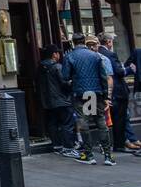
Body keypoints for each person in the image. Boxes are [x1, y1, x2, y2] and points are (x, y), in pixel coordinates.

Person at [62, 33, 113, 166]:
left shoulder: (70, 56)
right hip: (96, 92)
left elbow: (65, 76)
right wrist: (106, 96)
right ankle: (107, 155)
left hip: (80, 93)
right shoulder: (95, 56)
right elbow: (103, 77)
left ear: (73, 42)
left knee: (83, 122)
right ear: (84, 41)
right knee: (100, 121)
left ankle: (89, 155)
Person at [35, 46, 74, 155]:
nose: (59, 56)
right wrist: (71, 83)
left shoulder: (40, 67)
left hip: (48, 101)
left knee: (53, 123)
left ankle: (57, 146)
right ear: (54, 54)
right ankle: (68, 148)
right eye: (58, 53)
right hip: (61, 100)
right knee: (67, 124)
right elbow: (64, 83)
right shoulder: (57, 67)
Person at [98, 35, 133, 152]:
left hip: (101, 92)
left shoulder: (97, 53)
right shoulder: (110, 54)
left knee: (102, 119)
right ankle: (119, 145)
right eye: (111, 41)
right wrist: (129, 69)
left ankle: (108, 145)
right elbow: (119, 72)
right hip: (117, 92)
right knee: (119, 119)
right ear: (108, 42)